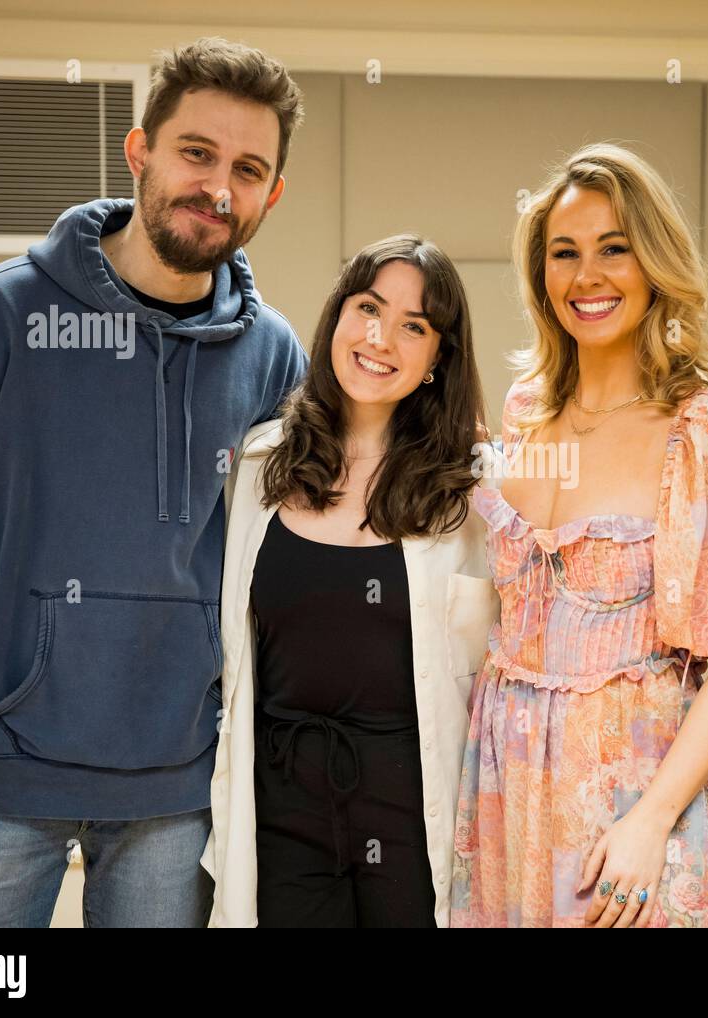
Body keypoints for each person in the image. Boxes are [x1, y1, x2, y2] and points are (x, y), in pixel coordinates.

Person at [0, 37, 308, 927]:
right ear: (139, 150)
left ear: (272, 193)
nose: (217, 188)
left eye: (247, 169)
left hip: (177, 790)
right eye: (196, 152)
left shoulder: (273, 356)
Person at [450, 143, 708, 927]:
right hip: (508, 785)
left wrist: (651, 821)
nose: (588, 276)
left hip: (637, 794)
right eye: (564, 253)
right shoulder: (525, 411)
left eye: (614, 248)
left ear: (654, 263)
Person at [202, 235, 499, 927]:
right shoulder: (261, 462)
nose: (380, 338)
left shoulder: (474, 486)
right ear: (338, 313)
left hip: (412, 806)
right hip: (280, 804)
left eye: (414, 326)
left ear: (438, 358)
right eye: (368, 308)